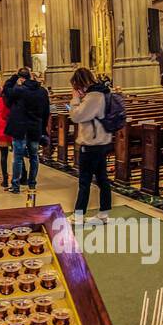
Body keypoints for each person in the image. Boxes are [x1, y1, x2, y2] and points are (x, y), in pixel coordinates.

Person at [69, 66, 114, 220]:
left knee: (85, 180)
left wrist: (75, 99)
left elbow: (76, 116)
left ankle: (78, 215)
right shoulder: (103, 93)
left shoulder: (94, 96)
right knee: (102, 178)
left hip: (91, 144)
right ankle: (104, 213)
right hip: (102, 142)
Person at [3, 68, 50, 195]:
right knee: (34, 157)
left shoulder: (19, 90)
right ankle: (32, 184)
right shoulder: (42, 91)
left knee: (17, 157)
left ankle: (16, 185)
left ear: (21, 78)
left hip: (20, 128)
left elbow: (6, 94)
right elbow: (46, 112)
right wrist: (43, 128)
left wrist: (13, 78)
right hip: (35, 128)